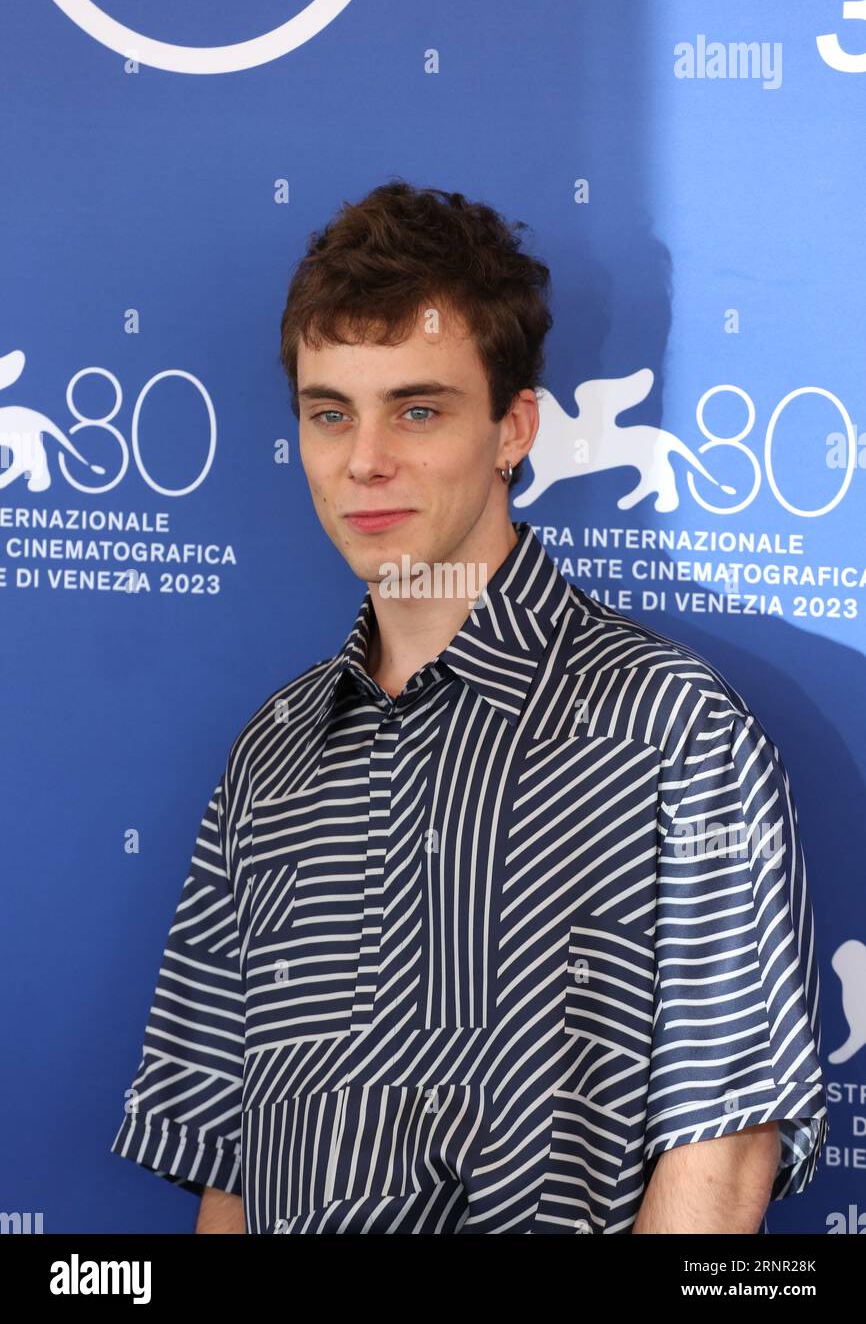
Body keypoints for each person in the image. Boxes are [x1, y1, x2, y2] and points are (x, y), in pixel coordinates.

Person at [110, 180, 828, 1234]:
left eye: (417, 408)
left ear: (512, 428)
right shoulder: (269, 757)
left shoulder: (670, 731)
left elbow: (719, 1155)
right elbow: (228, 1161)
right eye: (328, 413)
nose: (364, 461)